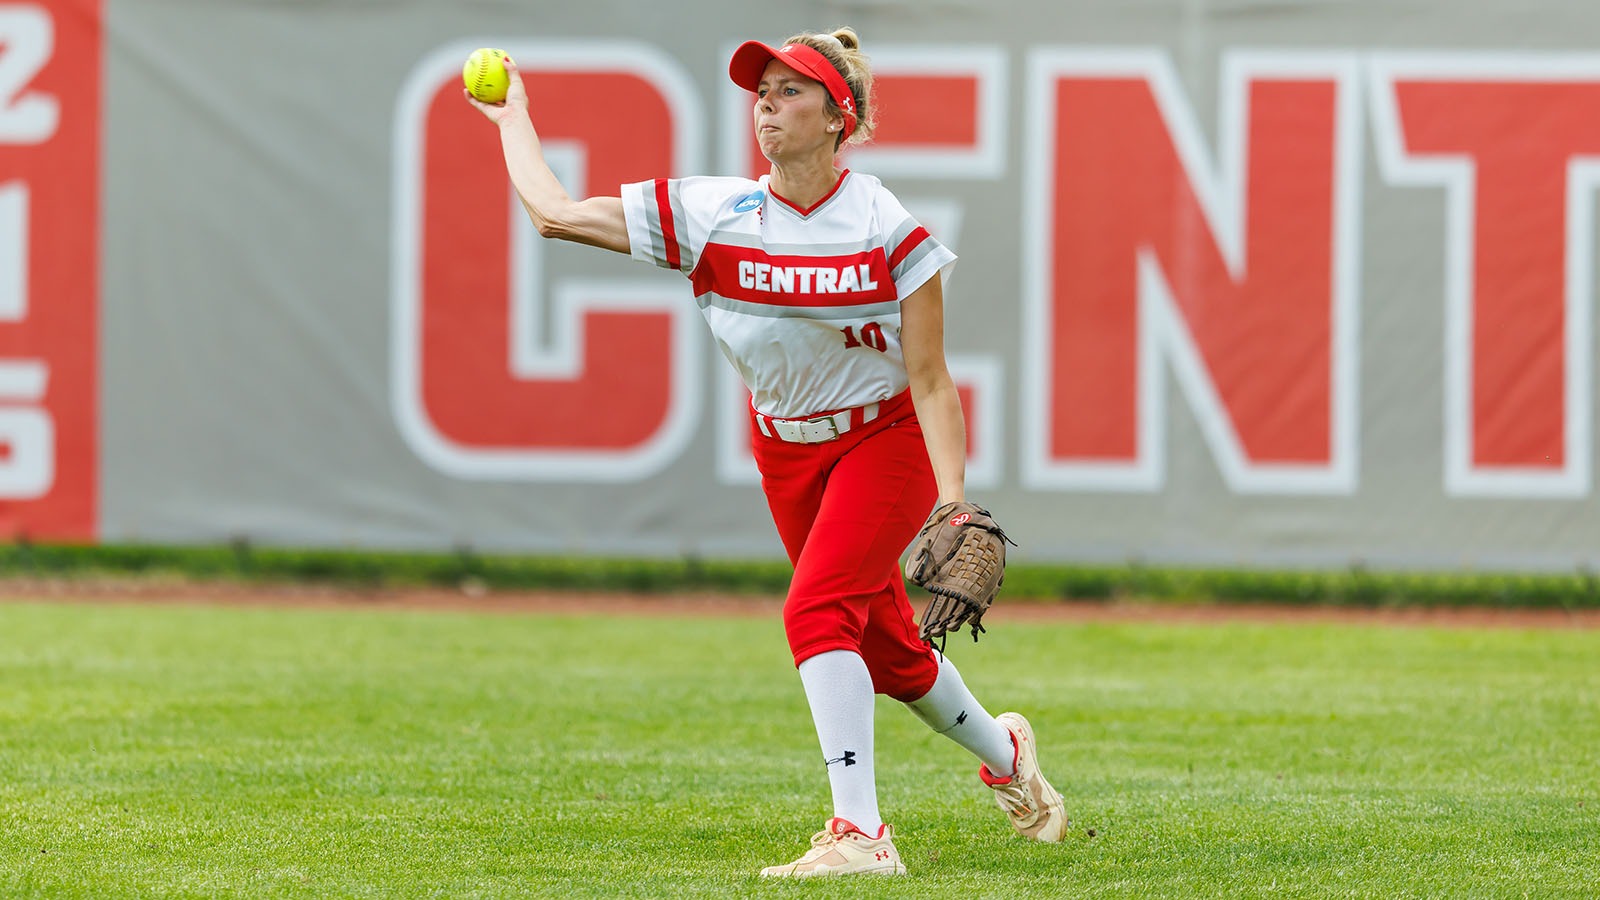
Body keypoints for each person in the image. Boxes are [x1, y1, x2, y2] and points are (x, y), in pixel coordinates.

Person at [467, 27, 1067, 877]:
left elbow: (931, 380)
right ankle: (1009, 758)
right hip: (784, 449)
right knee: (886, 648)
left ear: (838, 117)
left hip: (882, 437)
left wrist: (951, 499)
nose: (766, 106)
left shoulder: (888, 231)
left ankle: (860, 836)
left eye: (791, 92)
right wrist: (509, 118)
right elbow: (555, 214)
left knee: (815, 612)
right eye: (762, 91)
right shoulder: (717, 213)